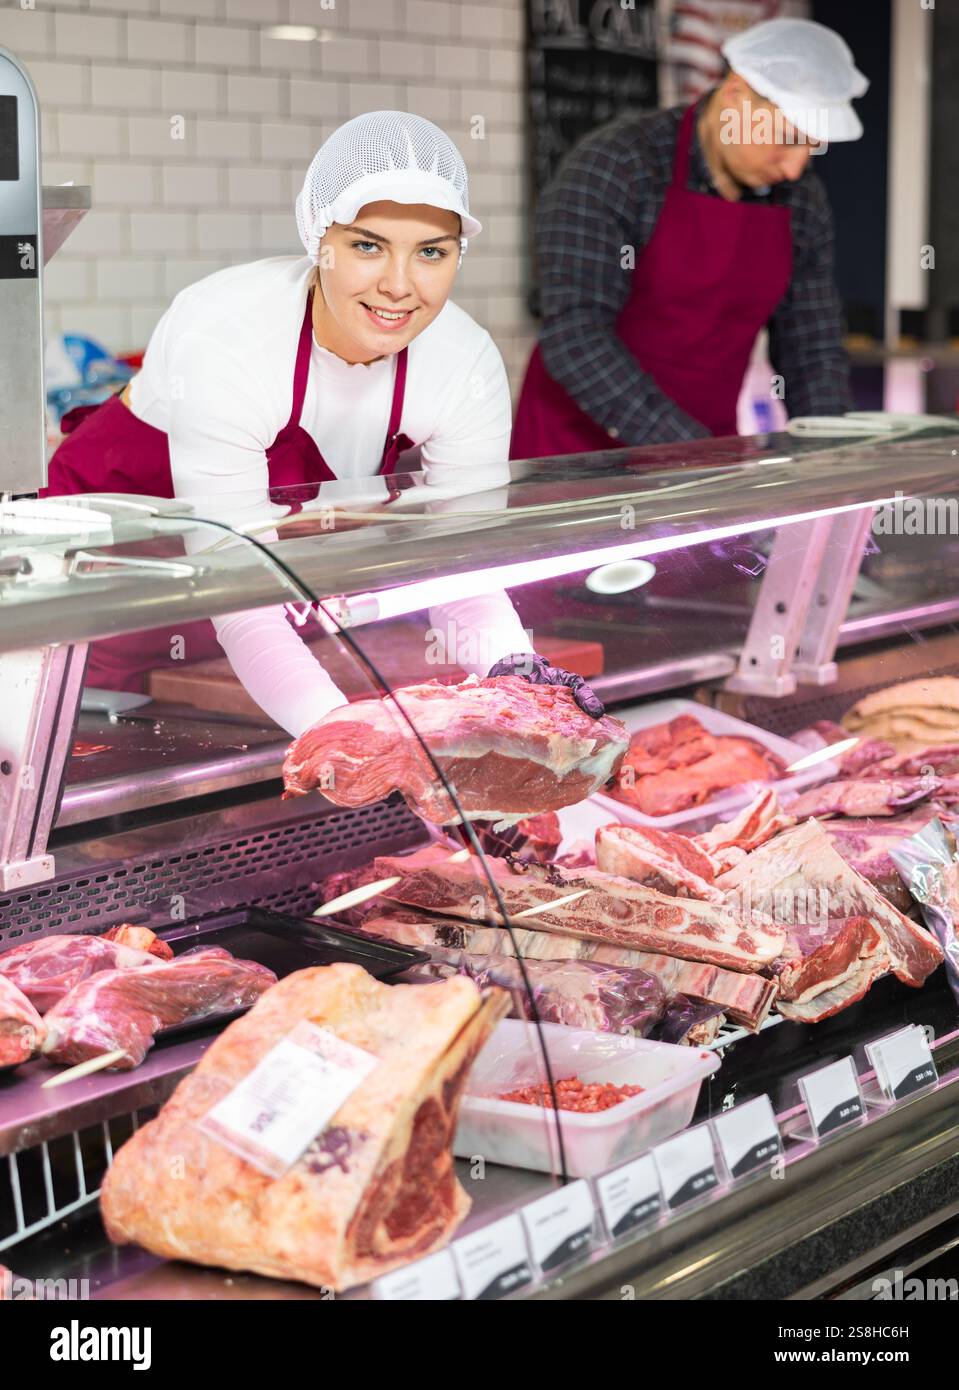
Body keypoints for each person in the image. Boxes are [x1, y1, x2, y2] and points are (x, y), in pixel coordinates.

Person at [46, 111, 603, 731]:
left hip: (266, 614)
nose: (399, 285)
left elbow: (459, 565)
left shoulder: (463, 362)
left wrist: (516, 671)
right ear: (319, 240)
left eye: (431, 252)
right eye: (367, 245)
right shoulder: (230, 336)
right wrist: (344, 738)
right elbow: (239, 591)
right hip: (118, 586)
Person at [511, 18, 868, 460]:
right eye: (786, 140)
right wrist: (692, 451)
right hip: (577, 458)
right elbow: (576, 337)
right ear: (737, 96)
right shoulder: (616, 167)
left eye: (810, 147)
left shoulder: (800, 200)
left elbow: (810, 345)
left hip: (708, 450)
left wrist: (832, 457)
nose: (795, 168)